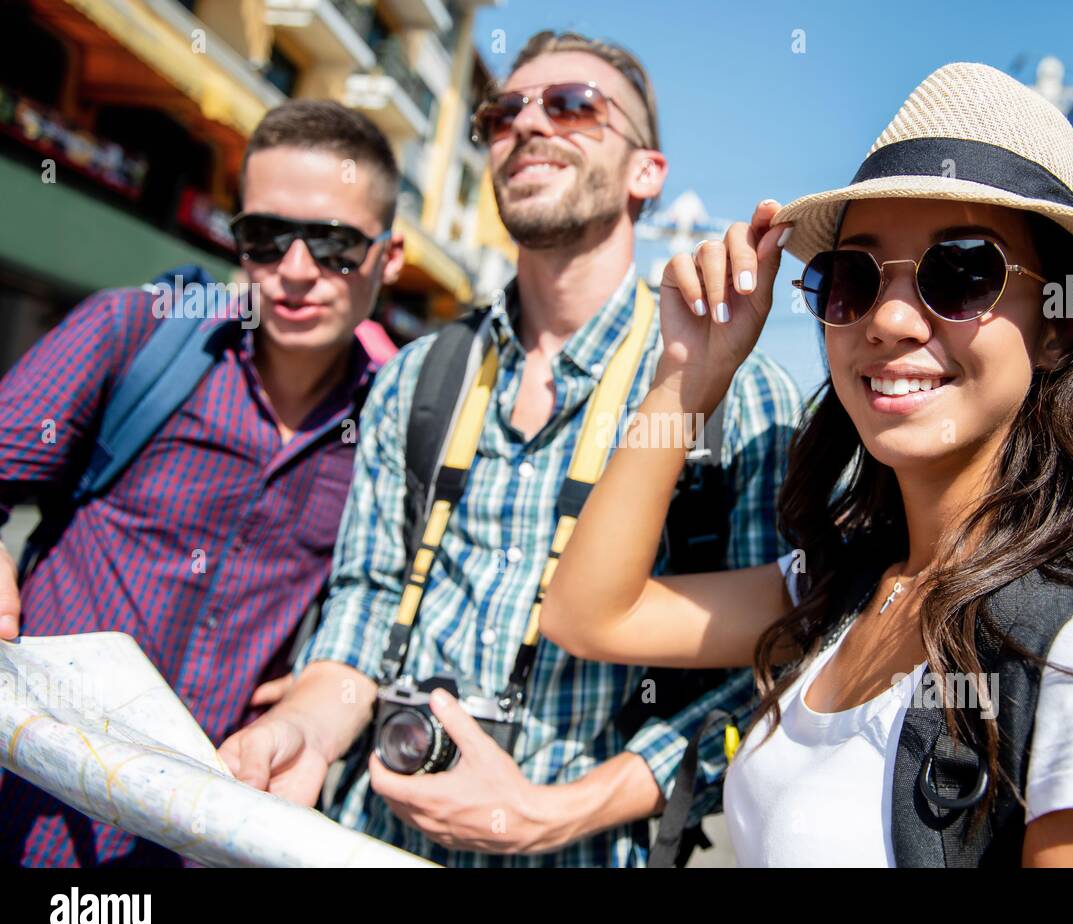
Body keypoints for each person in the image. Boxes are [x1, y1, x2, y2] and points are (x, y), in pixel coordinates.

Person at [540, 62, 1073, 867]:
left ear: (1059, 329)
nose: (891, 318)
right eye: (851, 279)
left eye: (963, 270)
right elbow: (590, 615)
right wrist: (687, 377)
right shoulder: (850, 580)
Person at [218, 31, 803, 867]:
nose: (527, 125)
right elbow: (366, 598)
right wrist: (304, 726)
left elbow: (769, 668)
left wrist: (553, 812)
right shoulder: (422, 376)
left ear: (648, 173)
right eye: (502, 113)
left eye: (572, 106)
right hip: (362, 839)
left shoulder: (736, 392)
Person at [0, 99, 404, 866]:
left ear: (390, 257)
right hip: (24, 797)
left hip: (199, 835)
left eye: (335, 244)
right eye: (264, 235)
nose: (294, 269)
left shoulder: (390, 426)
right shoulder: (133, 330)